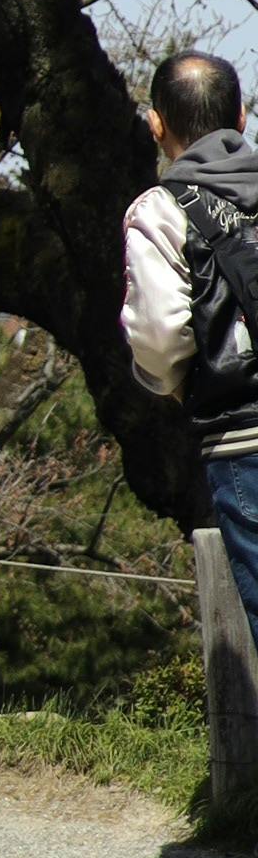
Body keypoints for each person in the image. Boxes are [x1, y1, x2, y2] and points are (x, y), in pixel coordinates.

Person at [126, 48, 258, 650]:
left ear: (157, 124)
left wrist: (177, 384)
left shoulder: (160, 211)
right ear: (244, 117)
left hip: (241, 440)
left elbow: (158, 338)